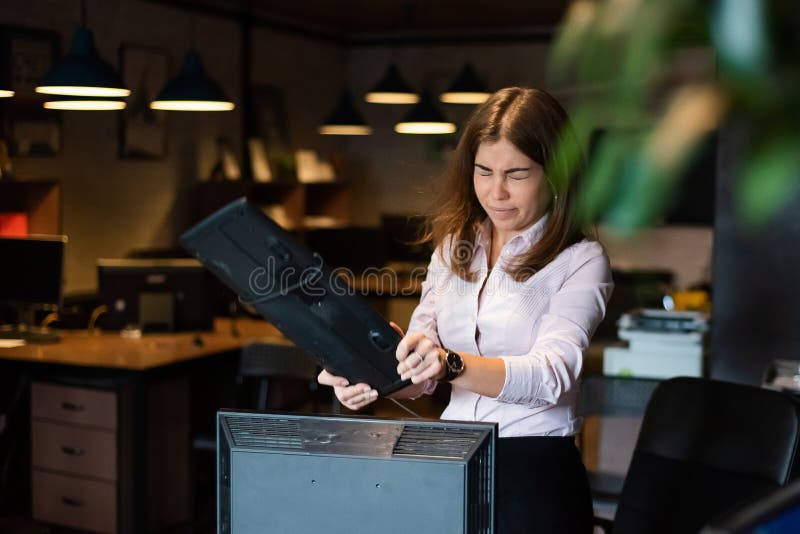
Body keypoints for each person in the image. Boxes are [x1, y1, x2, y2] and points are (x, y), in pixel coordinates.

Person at [318, 86, 613, 533]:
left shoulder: (580, 260)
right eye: (483, 171)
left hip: (533, 471)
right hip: (450, 458)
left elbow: (553, 374)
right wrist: (371, 377)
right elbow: (419, 374)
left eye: (517, 174)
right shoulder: (455, 247)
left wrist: (448, 364)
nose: (496, 192)